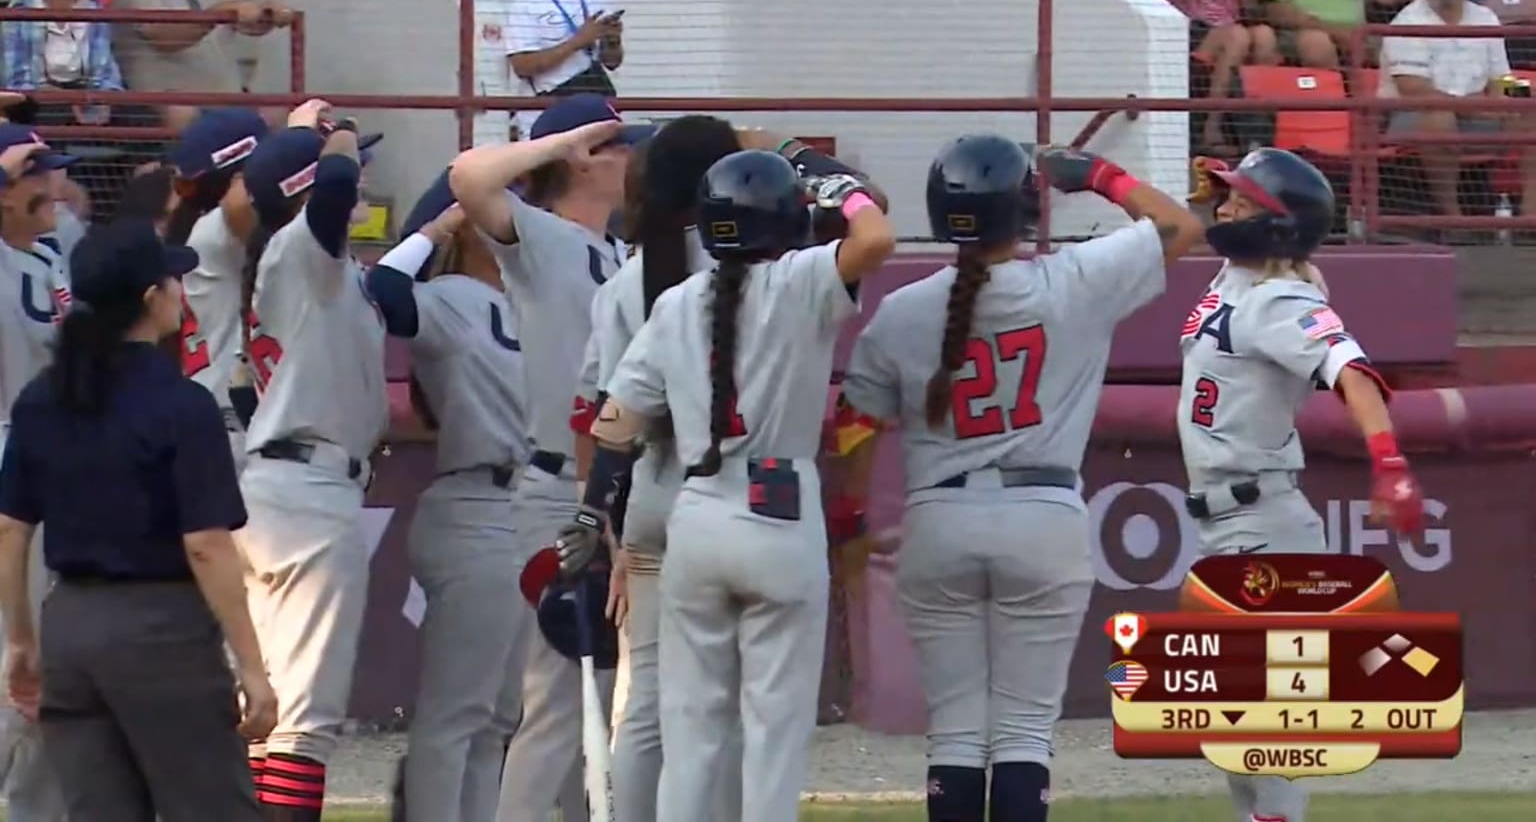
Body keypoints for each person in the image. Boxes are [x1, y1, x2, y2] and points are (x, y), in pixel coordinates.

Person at [830, 138, 1207, 822]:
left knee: (955, 730)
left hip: (938, 517)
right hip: (1043, 514)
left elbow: (853, 428)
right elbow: (1179, 225)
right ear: (1023, 210)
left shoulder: (901, 311)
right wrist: (1096, 174)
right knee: (1023, 731)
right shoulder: (1074, 279)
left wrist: (848, 525)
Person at [552, 149, 896, 822]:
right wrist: (841, 188)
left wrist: (594, 516)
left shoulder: (677, 301)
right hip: (778, 507)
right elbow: (876, 237)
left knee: (690, 726)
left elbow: (615, 424)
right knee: (772, 730)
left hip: (697, 512)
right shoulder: (798, 279)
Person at [0, 216, 276, 821]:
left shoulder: (43, 398)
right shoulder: (182, 403)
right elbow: (206, 544)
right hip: (163, 631)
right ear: (152, 298)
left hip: (68, 621)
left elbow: (11, 529)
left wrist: (21, 637)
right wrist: (252, 665)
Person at [1180, 149, 1424, 822]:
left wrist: (1390, 464)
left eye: (1243, 201)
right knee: (1224, 721)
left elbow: (1355, 375)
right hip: (1225, 522)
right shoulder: (1238, 275)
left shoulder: (1279, 298)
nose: (1225, 207)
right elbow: (1204, 217)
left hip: (1264, 521)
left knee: (1269, 715)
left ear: (1278, 226)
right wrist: (1218, 186)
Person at [448, 92, 649, 822]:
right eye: (621, 146)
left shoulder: (622, 250)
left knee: (600, 703)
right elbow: (469, 177)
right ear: (584, 157)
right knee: (559, 700)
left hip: (617, 484)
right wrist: (563, 141)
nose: (632, 158)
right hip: (559, 488)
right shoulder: (541, 235)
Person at [576, 114, 752, 822]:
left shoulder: (623, 282)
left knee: (646, 696)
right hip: (731, 496)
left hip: (651, 492)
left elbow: (597, 415)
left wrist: (613, 531)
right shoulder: (755, 267)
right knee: (730, 696)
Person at [235, 105, 387, 821]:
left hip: (281, 486)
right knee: (302, 721)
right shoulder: (304, 248)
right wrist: (341, 134)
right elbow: (330, 194)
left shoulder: (314, 267)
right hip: (307, 493)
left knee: (270, 715)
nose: (364, 179)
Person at [364, 178, 533, 822]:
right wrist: (434, 229)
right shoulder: (448, 298)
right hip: (477, 503)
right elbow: (381, 290)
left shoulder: (536, 294)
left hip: (526, 505)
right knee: (458, 713)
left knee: (499, 715)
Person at [0, 130, 74, 822]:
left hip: (50, 469)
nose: (52, 186)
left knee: (49, 681)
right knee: (15, 670)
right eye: (34, 174)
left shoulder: (51, 259)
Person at [1380, 0, 1534, 228]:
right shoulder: (1406, 21)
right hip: (1411, 117)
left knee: (1532, 113)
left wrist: (1525, 96)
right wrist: (1472, 106)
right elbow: (1413, 89)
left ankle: (1529, 218)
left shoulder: (1485, 18)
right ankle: (1452, 217)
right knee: (1439, 116)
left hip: (1473, 115)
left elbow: (1502, 79)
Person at [165, 106, 273, 467]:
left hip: (219, 408)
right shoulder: (218, 227)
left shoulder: (198, 223)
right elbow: (239, 202)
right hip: (228, 418)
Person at [112, 0, 295, 131]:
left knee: (281, 112)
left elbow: (248, 26)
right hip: (164, 103)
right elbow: (165, 37)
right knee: (182, 114)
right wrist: (216, 14)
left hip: (227, 99)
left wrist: (267, 13)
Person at [1146, 0, 1278, 152]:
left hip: (1230, 25)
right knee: (1237, 37)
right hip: (1188, 30)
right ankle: (1211, 127)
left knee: (1265, 37)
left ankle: (1258, 134)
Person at [505, 0, 624, 138]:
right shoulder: (525, 1)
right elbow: (522, 66)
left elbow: (612, 62)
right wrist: (577, 42)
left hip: (592, 100)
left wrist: (613, 39)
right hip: (548, 108)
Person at [1260, 0, 1416, 68]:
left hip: (1356, 34)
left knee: (1399, 48)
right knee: (1315, 44)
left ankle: (1368, 110)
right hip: (1299, 31)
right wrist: (1335, 32)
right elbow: (1276, 10)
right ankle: (1334, 109)